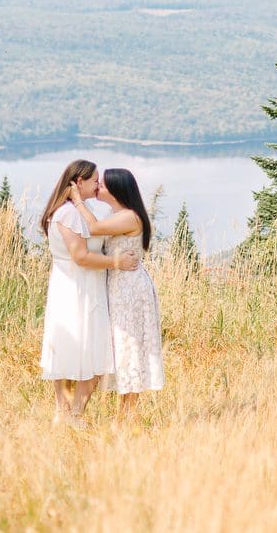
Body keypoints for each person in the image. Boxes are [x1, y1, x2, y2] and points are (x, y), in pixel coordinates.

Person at [38, 159, 138, 425]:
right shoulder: (69, 213)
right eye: (94, 180)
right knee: (88, 351)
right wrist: (117, 262)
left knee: (74, 350)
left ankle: (67, 414)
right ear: (78, 182)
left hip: (76, 285)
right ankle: (72, 414)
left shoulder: (74, 210)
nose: (98, 186)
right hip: (77, 288)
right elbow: (81, 256)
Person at [70, 166, 164, 422]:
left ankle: (126, 417)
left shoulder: (130, 217)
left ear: (117, 189)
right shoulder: (118, 213)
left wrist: (77, 201)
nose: (98, 186)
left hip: (130, 289)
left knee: (129, 346)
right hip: (119, 286)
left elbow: (94, 228)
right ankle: (120, 416)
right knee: (118, 347)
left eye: (103, 184)